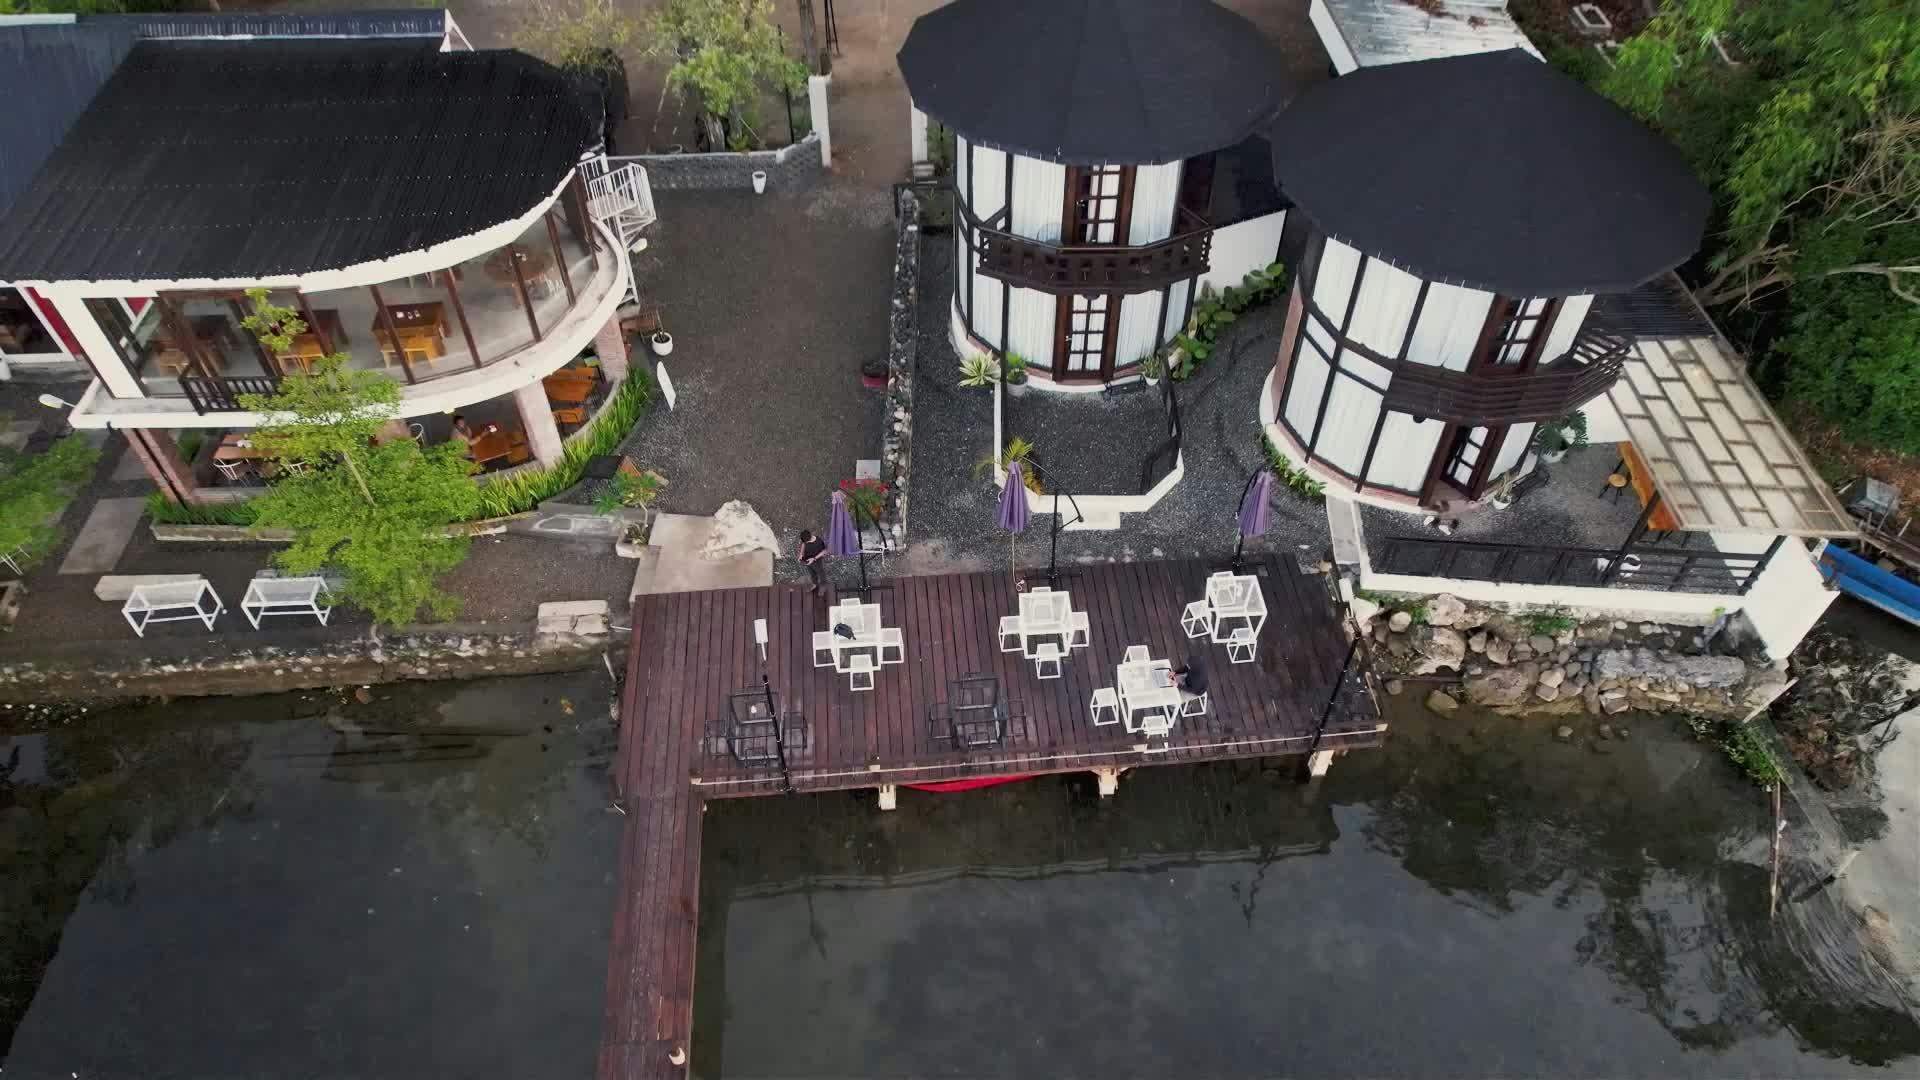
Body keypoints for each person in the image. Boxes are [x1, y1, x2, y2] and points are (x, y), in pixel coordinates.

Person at [797, 529, 829, 596]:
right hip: (807, 560)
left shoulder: (818, 541)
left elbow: (824, 551)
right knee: (812, 573)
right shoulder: (805, 539)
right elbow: (803, 544)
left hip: (816, 560)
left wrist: (814, 558)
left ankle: (823, 586)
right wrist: (801, 554)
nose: (807, 542)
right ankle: (815, 584)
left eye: (807, 541)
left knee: (821, 572)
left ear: (810, 537)